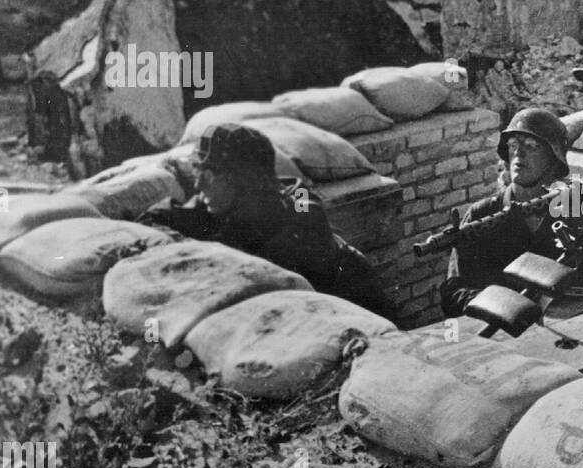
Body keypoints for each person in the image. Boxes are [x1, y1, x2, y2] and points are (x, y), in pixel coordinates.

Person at [139, 123, 399, 321]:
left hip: (358, 308)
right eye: (197, 173)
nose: (198, 185)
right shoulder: (224, 204)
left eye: (207, 175)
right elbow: (154, 220)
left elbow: (302, 205)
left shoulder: (298, 218)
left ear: (241, 179)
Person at [439, 108, 581, 319]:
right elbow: (453, 292)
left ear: (553, 158)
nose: (518, 154)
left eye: (531, 146)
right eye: (513, 145)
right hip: (499, 333)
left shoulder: (572, 212)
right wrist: (500, 307)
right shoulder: (483, 215)